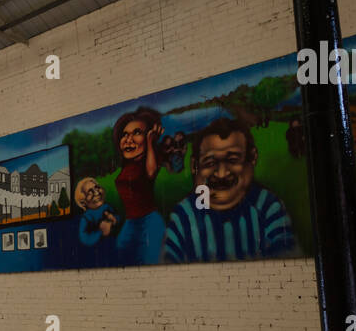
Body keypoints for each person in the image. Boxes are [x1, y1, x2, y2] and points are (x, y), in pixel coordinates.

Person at [162, 117, 297, 262]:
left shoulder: (267, 206)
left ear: (252, 158)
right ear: (195, 166)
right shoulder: (184, 214)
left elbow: (285, 258)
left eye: (233, 160)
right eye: (210, 162)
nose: (221, 173)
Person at [112, 107, 166, 264]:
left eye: (136, 133)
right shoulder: (127, 166)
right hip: (130, 223)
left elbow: (151, 172)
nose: (128, 139)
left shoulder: (148, 163)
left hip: (148, 223)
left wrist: (150, 141)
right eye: (124, 135)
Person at [74, 177, 118, 246]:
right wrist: (100, 232)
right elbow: (84, 238)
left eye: (97, 188)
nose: (97, 193)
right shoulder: (87, 217)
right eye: (90, 193)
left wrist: (114, 219)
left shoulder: (106, 207)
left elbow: (117, 216)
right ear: (83, 202)